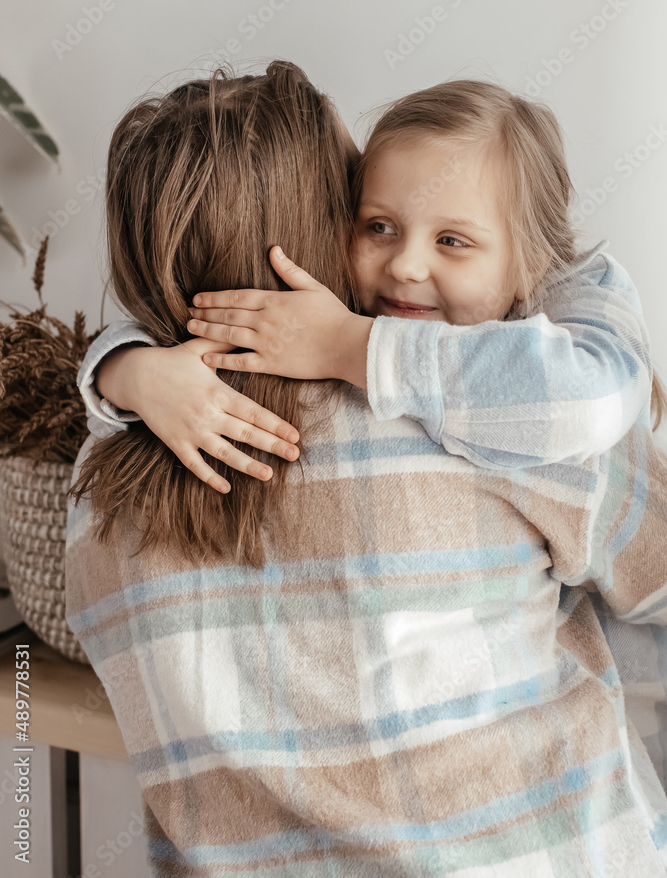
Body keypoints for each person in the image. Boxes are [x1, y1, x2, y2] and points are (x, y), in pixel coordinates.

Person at [66, 64, 667, 875]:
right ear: (330, 220)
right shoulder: (498, 422)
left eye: (451, 238)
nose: (406, 266)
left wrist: (124, 366)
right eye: (371, 217)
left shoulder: (94, 485)